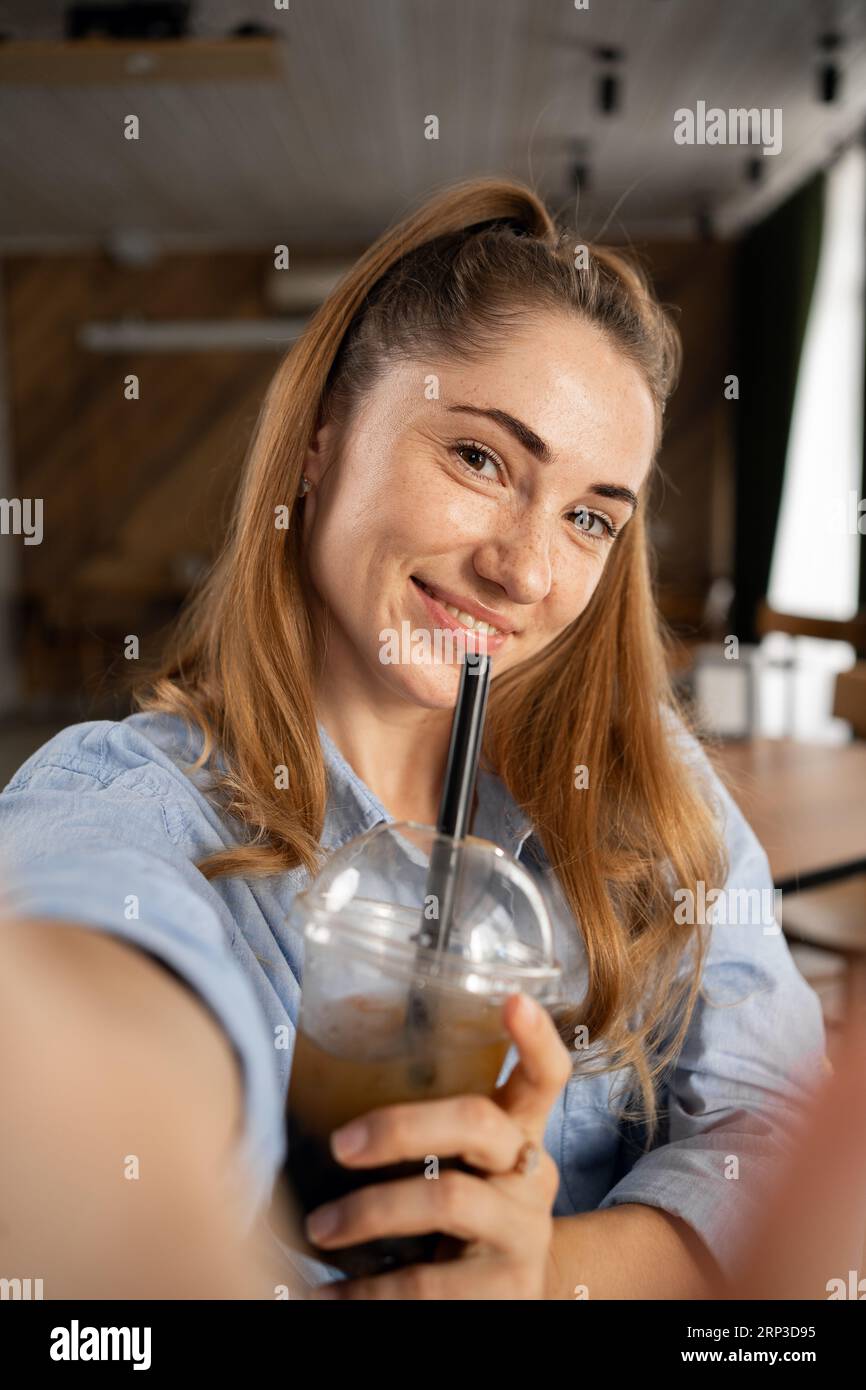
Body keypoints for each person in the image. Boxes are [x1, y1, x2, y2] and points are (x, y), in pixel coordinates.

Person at [0, 176, 827, 1300]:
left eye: (587, 515)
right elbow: (87, 1036)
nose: (525, 570)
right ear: (320, 439)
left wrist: (541, 1275)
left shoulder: (646, 784)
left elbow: (773, 1132)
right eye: (480, 459)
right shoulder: (137, 803)